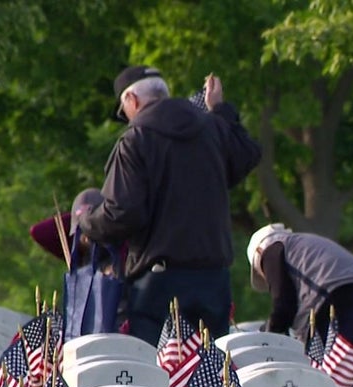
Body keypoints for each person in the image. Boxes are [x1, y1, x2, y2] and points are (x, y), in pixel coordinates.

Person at [75, 66, 261, 346]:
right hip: (214, 277)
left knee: (157, 377)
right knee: (208, 376)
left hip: (158, 283)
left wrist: (87, 222)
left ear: (131, 101)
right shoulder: (211, 128)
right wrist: (220, 111)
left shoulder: (135, 140)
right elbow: (247, 155)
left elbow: (122, 214)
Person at [245, 223, 353, 347]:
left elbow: (284, 305)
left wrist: (264, 336)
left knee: (328, 372)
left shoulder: (271, 250)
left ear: (259, 252)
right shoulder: (306, 244)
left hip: (334, 300)